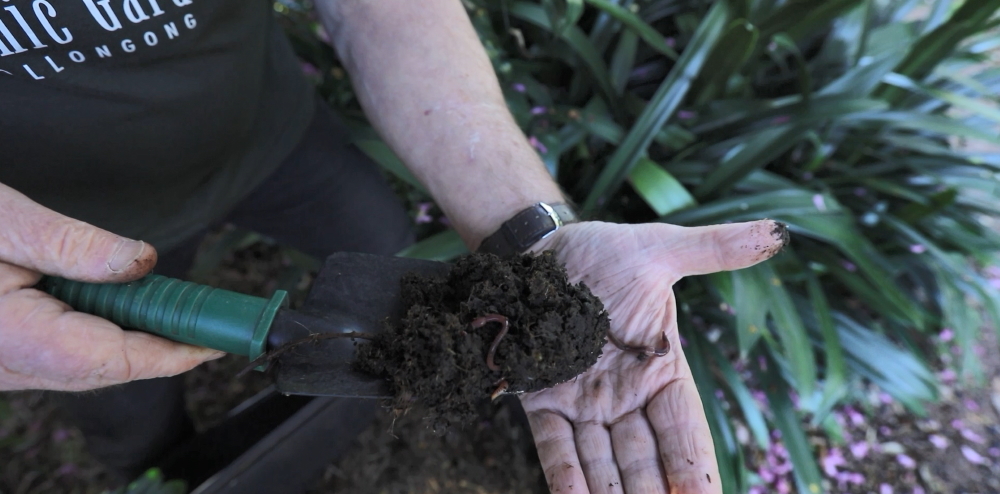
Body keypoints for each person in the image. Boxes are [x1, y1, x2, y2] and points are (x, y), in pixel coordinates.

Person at [0, 1, 786, 493]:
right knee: (120, 388)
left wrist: (536, 234)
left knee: (373, 235)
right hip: (53, 220)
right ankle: (160, 460)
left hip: (265, 130)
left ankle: (307, 404)